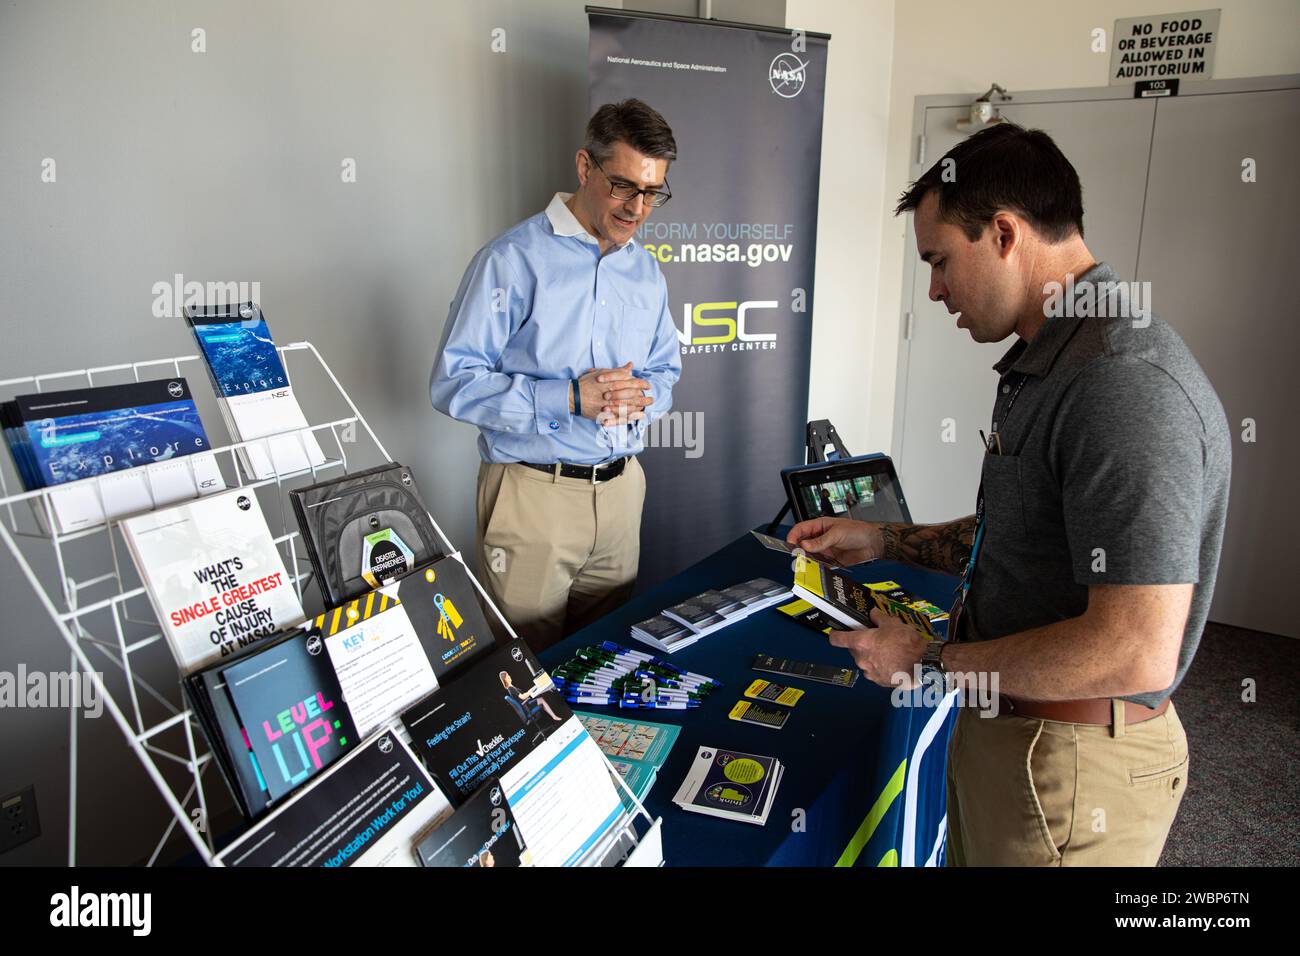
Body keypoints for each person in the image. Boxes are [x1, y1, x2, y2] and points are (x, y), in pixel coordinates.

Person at [788, 123, 1230, 866]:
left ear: (1003, 233)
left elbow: (1133, 649)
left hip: (1071, 764)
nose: (932, 290)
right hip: (1023, 738)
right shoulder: (1053, 356)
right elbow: (1027, 532)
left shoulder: (1120, 382)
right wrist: (884, 539)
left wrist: (926, 662)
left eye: (939, 262)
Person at [430, 99, 682, 652]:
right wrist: (569, 398)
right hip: (532, 497)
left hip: (622, 495)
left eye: (652, 192)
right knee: (528, 677)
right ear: (585, 167)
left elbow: (666, 369)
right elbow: (454, 381)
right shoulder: (509, 259)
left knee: (604, 664)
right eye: (623, 186)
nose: (637, 208)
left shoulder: (645, 271)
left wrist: (642, 397)